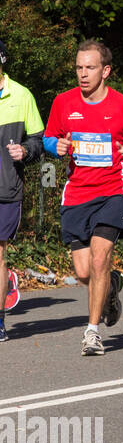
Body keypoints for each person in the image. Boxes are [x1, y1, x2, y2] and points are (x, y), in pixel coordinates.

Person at [43, 41, 123, 354]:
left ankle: (92, 332)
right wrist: (57, 147)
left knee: (99, 257)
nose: (83, 74)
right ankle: (111, 285)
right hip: (77, 191)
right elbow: (49, 137)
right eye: (79, 67)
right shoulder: (63, 103)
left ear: (105, 71)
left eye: (89, 67)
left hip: (113, 191)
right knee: (83, 273)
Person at [0, 38, 44, 343]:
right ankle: (8, 282)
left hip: (5, 187)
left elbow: (40, 141)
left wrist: (25, 151)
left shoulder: (22, 95)